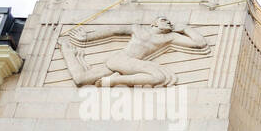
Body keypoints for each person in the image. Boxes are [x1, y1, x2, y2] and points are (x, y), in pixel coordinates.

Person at [60, 15, 209, 86]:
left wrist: (186, 28)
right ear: (154, 23)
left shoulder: (170, 37)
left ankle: (67, 52)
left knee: (81, 79)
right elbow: (113, 31)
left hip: (127, 63)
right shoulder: (137, 28)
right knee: (158, 76)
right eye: (164, 20)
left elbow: (200, 43)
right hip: (121, 59)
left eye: (170, 21)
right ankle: (113, 81)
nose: (169, 22)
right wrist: (87, 38)